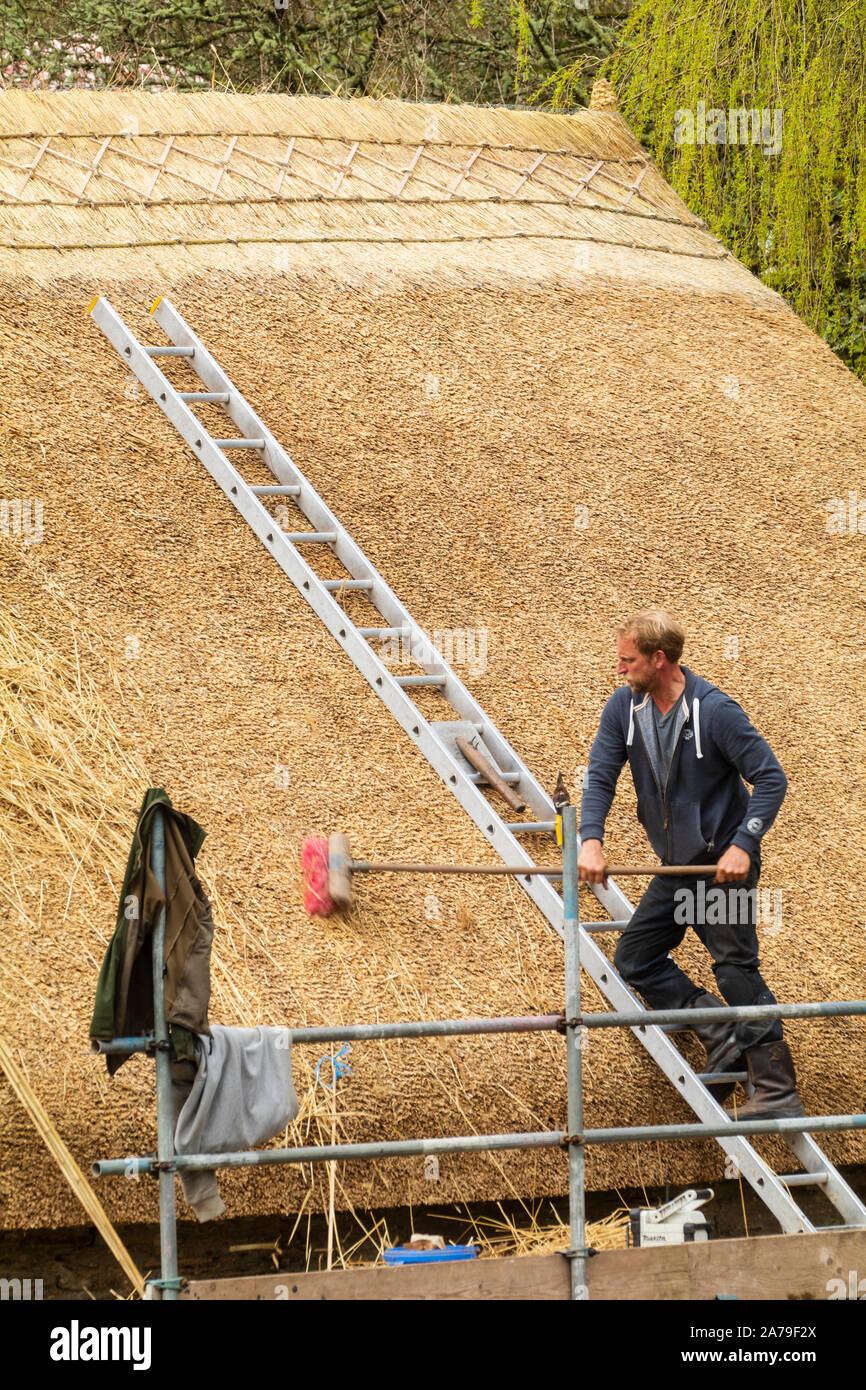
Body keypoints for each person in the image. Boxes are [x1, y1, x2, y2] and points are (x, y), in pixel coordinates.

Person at [577, 608, 804, 1120]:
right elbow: (600, 776)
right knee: (635, 955)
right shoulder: (624, 708)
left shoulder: (714, 711)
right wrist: (591, 840)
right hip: (680, 867)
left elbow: (770, 778)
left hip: (722, 865)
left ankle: (775, 1086)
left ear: (659, 660)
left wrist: (743, 843)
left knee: (734, 966)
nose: (619, 669)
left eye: (627, 660)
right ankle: (721, 1034)